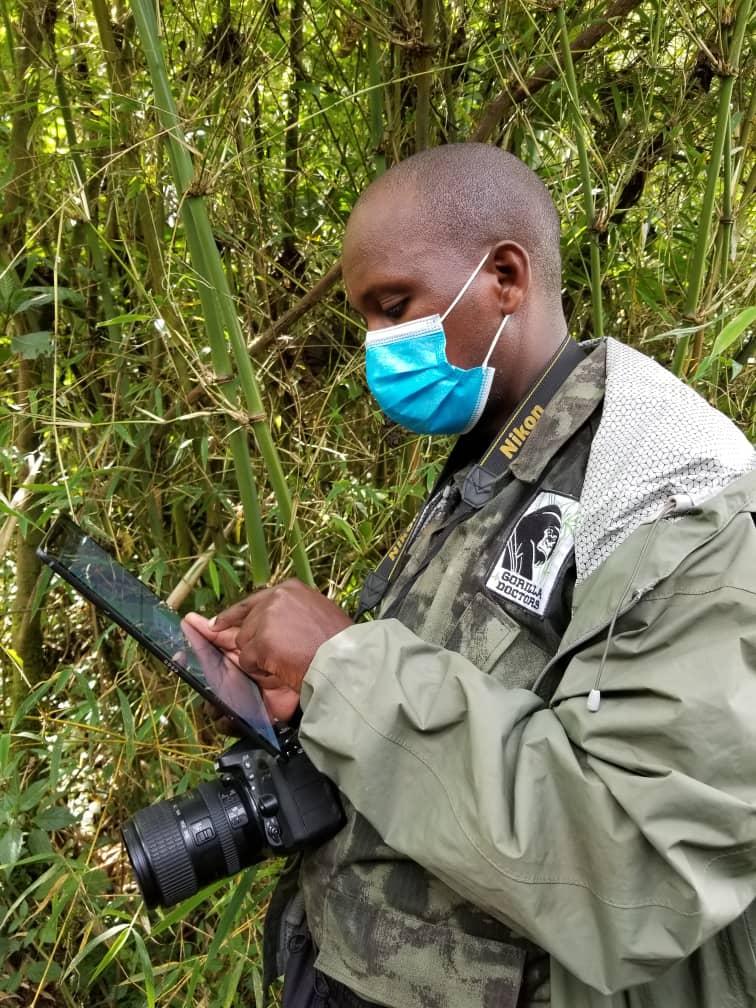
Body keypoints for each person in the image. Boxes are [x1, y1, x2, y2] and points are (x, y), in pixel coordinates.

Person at [186, 143, 756, 1008]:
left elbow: (639, 868)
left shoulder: (670, 492)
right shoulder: (505, 445)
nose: (377, 348)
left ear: (504, 276)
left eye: (394, 306)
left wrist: (345, 665)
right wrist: (293, 693)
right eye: (365, 321)